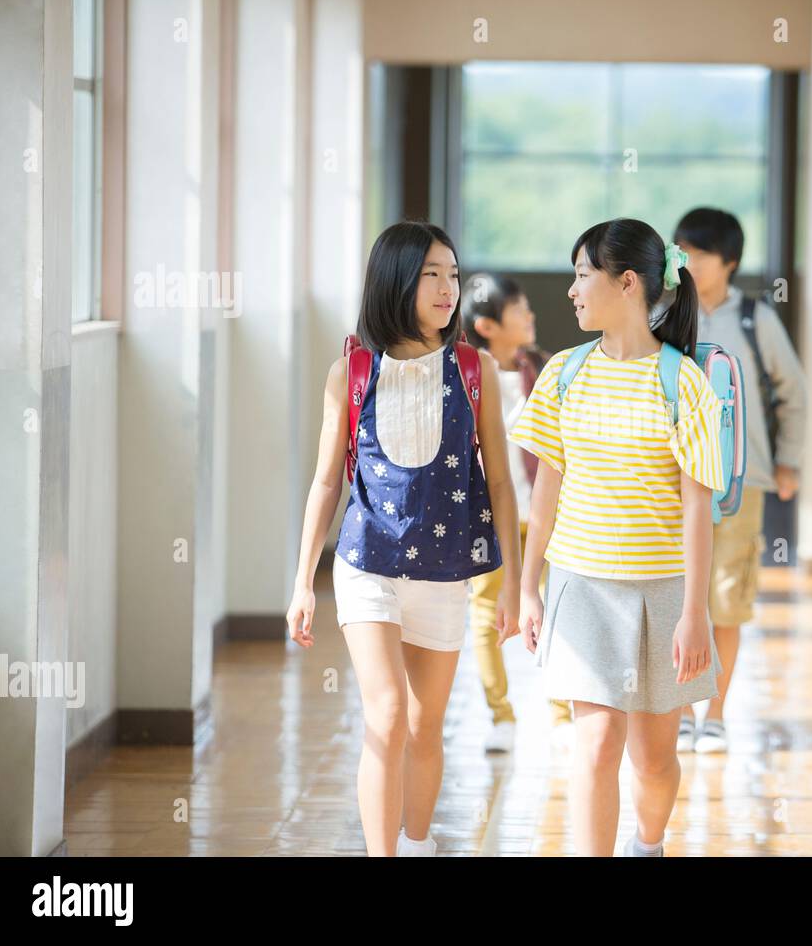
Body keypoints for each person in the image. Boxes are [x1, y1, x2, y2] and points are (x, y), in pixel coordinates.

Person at [285, 221, 521, 857]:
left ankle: (418, 845)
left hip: (445, 574)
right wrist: (303, 581)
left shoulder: (477, 371)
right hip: (367, 567)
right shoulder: (351, 373)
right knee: (386, 715)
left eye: (453, 274)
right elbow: (326, 483)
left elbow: (501, 483)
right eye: (430, 275)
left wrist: (515, 586)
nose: (448, 289)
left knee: (425, 726)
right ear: (395, 281)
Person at [506, 217, 726, 857]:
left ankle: (648, 842)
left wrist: (694, 614)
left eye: (583, 275)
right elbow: (542, 498)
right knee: (596, 744)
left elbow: (696, 509)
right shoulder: (561, 374)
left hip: (662, 594)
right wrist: (528, 589)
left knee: (654, 761)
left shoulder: (683, 382)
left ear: (626, 282)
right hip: (582, 584)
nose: (572, 290)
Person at [672, 207, 808, 754]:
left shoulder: (754, 318)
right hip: (674, 484)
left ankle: (717, 714)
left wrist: (788, 462)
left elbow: (792, 391)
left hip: (741, 481)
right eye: (680, 253)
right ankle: (680, 708)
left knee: (727, 599)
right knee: (681, 596)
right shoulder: (665, 314)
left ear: (728, 261)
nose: (687, 264)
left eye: (698, 255)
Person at [460, 272, 575, 753]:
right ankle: (500, 715)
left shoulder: (545, 369)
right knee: (488, 612)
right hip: (487, 518)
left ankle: (561, 712)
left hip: (547, 516)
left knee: (560, 611)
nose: (530, 317)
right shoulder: (465, 376)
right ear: (487, 325)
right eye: (519, 311)